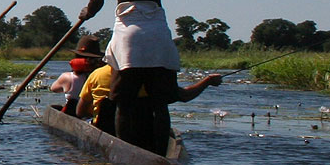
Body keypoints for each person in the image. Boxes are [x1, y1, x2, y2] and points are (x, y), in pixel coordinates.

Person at [77, 0, 182, 154]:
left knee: (122, 101)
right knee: (159, 102)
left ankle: (123, 153)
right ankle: (158, 153)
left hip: (128, 35)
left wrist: (85, 14)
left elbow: (96, 2)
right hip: (157, 30)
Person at [77, 63, 224, 142]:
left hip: (104, 130)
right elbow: (184, 96)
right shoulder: (150, 77)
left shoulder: (96, 75)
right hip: (143, 135)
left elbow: (79, 112)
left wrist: (97, 110)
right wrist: (207, 81)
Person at [50, 35, 107, 116]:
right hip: (94, 116)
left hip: (74, 114)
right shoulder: (100, 75)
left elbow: (53, 89)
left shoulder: (67, 77)